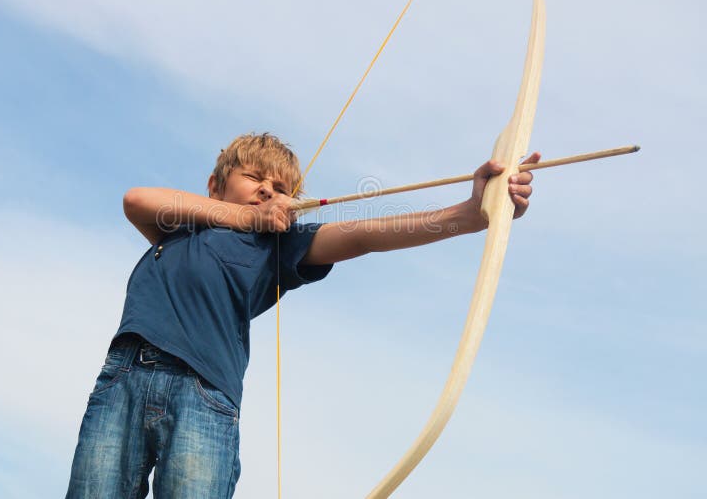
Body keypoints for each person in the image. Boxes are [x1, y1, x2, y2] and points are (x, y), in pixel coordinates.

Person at [65, 132, 538, 498]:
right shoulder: (178, 224)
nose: (267, 191)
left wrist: (473, 213)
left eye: (281, 188)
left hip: (204, 396)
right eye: (255, 179)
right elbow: (135, 200)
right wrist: (247, 216)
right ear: (215, 185)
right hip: (123, 377)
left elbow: (363, 235)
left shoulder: (279, 244)